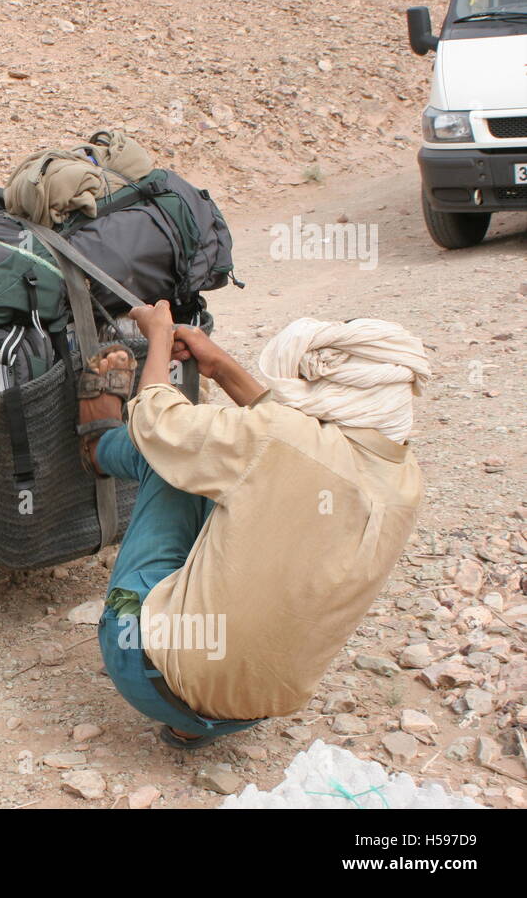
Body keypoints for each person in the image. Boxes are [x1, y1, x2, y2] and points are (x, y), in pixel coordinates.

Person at [77, 302, 430, 748]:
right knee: (219, 465)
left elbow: (155, 423)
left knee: (171, 463)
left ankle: (98, 447)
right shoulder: (404, 479)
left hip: (142, 668)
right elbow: (291, 438)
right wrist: (220, 367)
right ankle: (193, 724)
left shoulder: (280, 441)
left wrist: (158, 337)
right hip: (255, 708)